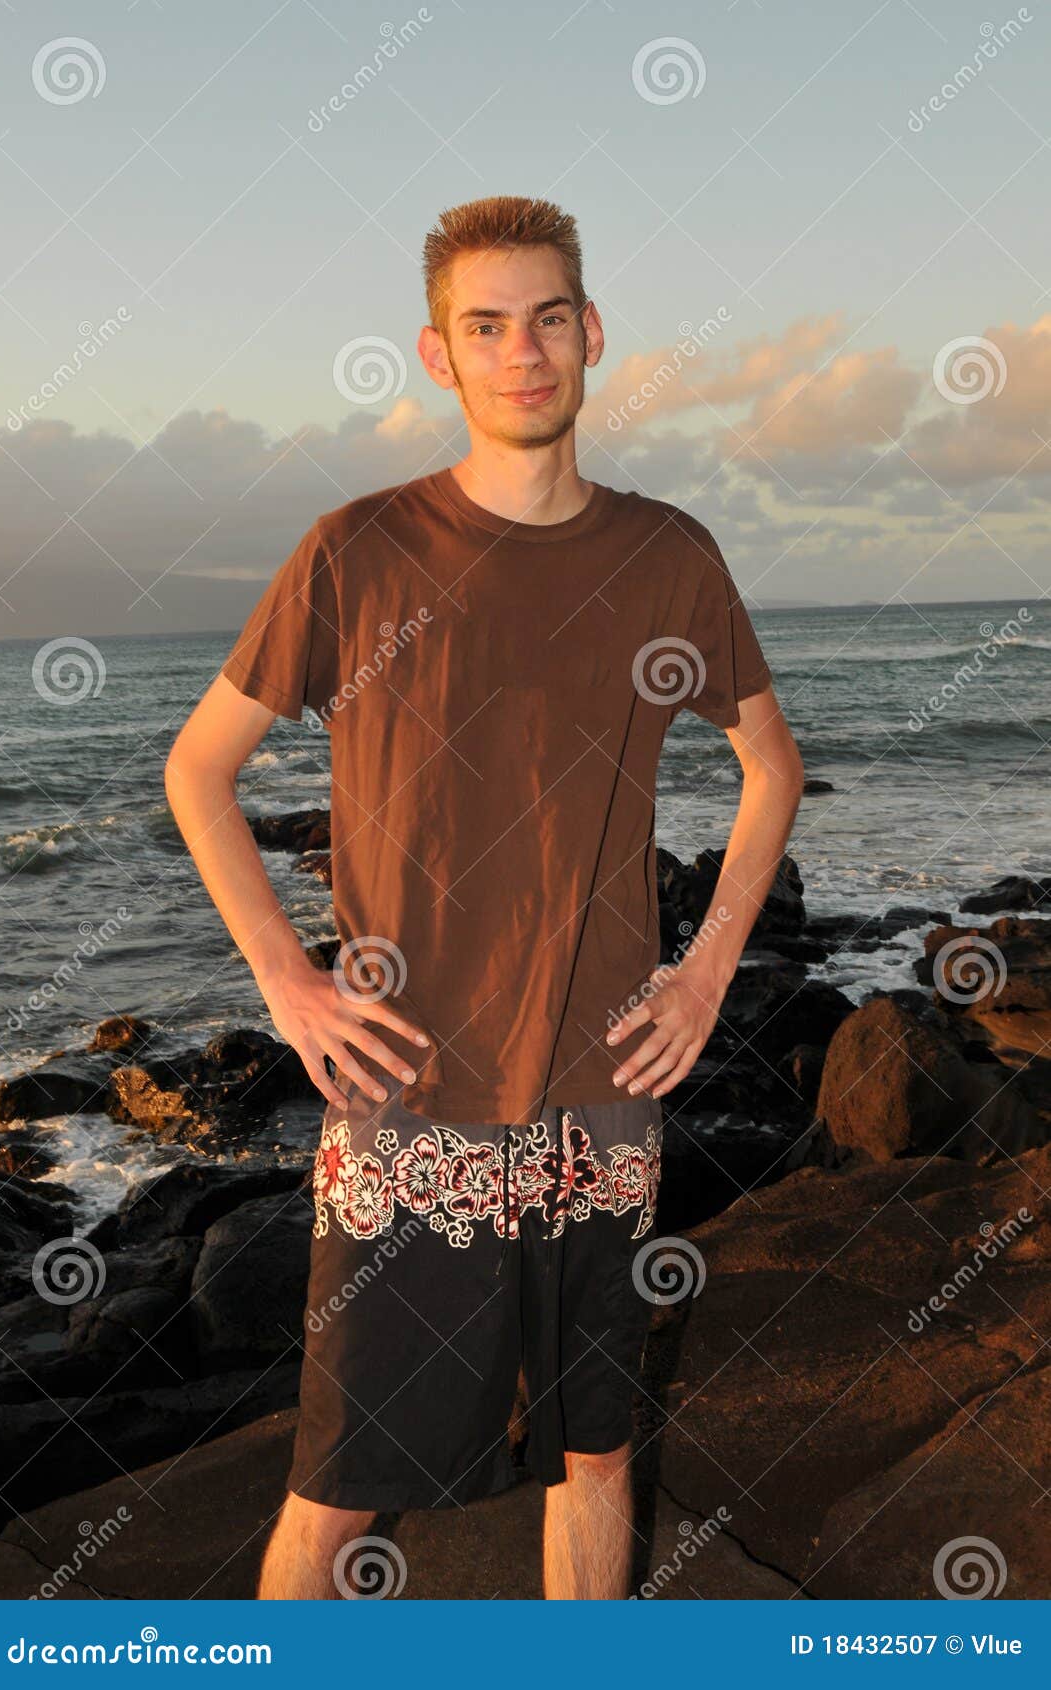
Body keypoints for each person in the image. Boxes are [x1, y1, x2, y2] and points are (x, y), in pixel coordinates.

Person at [163, 194, 804, 1600]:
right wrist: (284, 977)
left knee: (597, 1459)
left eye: (549, 319)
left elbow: (771, 763)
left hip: (600, 1097)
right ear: (439, 355)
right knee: (336, 1494)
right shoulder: (357, 551)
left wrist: (700, 974)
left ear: (591, 335)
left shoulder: (670, 556)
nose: (524, 352)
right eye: (487, 326)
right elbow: (199, 770)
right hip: (412, 1098)